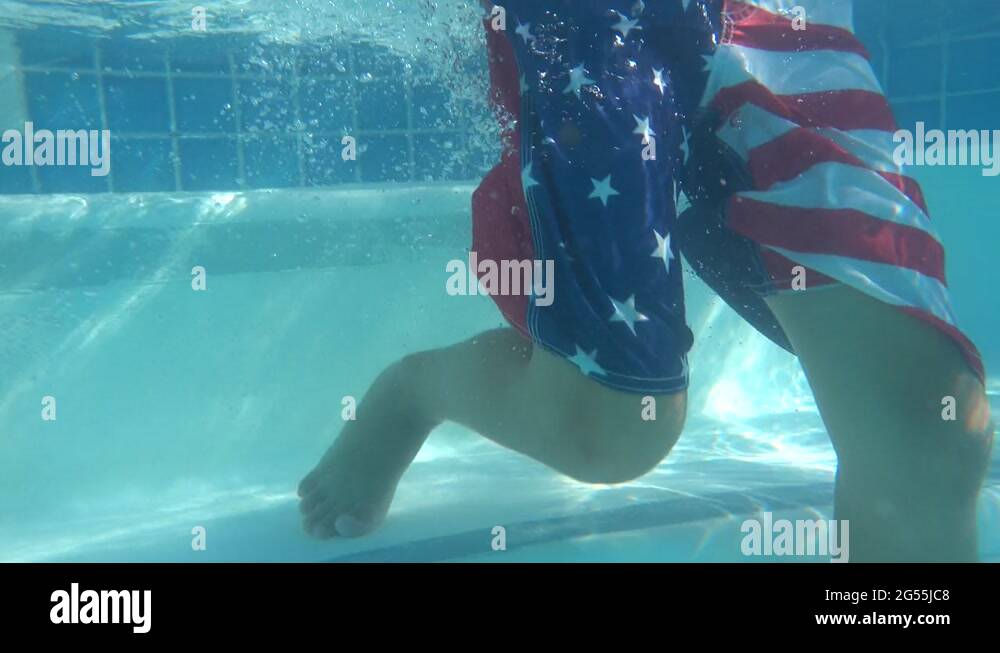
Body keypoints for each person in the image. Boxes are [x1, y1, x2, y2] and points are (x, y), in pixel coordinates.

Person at [298, 0, 993, 561]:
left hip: (767, 15)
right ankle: (414, 390)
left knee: (929, 435)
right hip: (587, 15)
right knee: (618, 426)